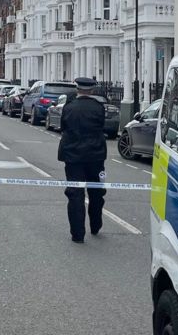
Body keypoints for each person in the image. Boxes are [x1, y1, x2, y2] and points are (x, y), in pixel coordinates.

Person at [58, 77, 107, 243]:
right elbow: (101, 127)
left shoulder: (69, 107)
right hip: (95, 156)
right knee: (97, 192)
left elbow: (63, 127)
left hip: (73, 157)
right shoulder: (99, 108)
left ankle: (77, 234)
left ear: (77, 89)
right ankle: (95, 224)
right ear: (92, 90)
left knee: (75, 194)